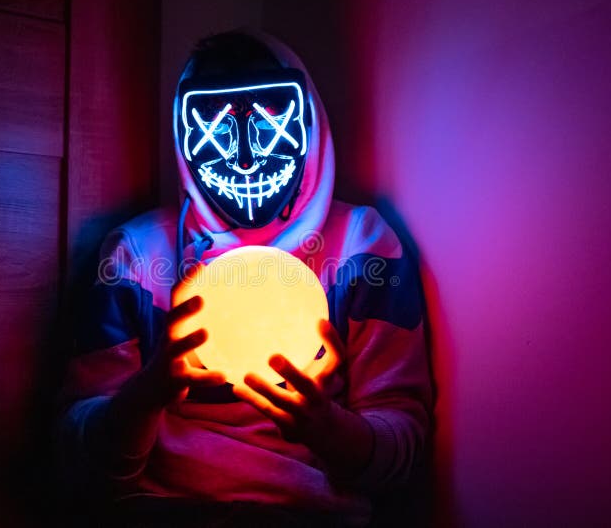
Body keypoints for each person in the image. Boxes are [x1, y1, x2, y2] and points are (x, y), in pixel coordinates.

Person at [58, 31, 432, 527]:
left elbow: (404, 438)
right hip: (162, 511)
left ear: (309, 122)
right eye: (215, 125)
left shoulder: (363, 249)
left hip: (310, 514)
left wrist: (331, 431)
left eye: (269, 121)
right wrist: (147, 395)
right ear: (183, 136)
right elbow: (80, 453)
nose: (245, 159)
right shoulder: (135, 257)